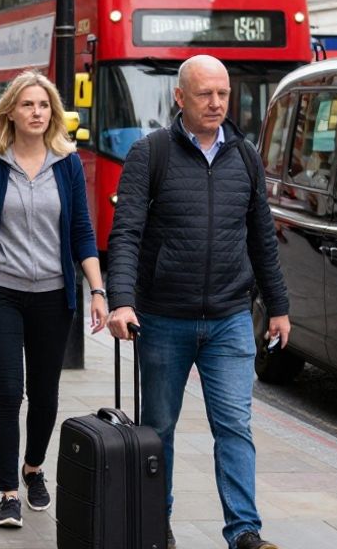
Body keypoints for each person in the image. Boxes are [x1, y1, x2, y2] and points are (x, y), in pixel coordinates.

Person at [105, 55, 289, 549]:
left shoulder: (245, 156)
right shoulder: (151, 153)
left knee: (234, 426)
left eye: (223, 94)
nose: (216, 103)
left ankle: (245, 533)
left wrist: (278, 305)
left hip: (229, 319)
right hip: (164, 317)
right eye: (205, 94)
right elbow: (126, 234)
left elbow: (261, 239)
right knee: (159, 429)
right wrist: (121, 300)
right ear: (180, 98)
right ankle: (154, 524)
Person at [0, 71, 106, 530]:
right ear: (11, 111)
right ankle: (8, 493)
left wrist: (97, 290)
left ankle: (33, 468)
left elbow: (82, 232)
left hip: (54, 296)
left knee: (46, 396)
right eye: (28, 105)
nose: (37, 113)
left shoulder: (68, 164)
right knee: (9, 392)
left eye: (44, 105)